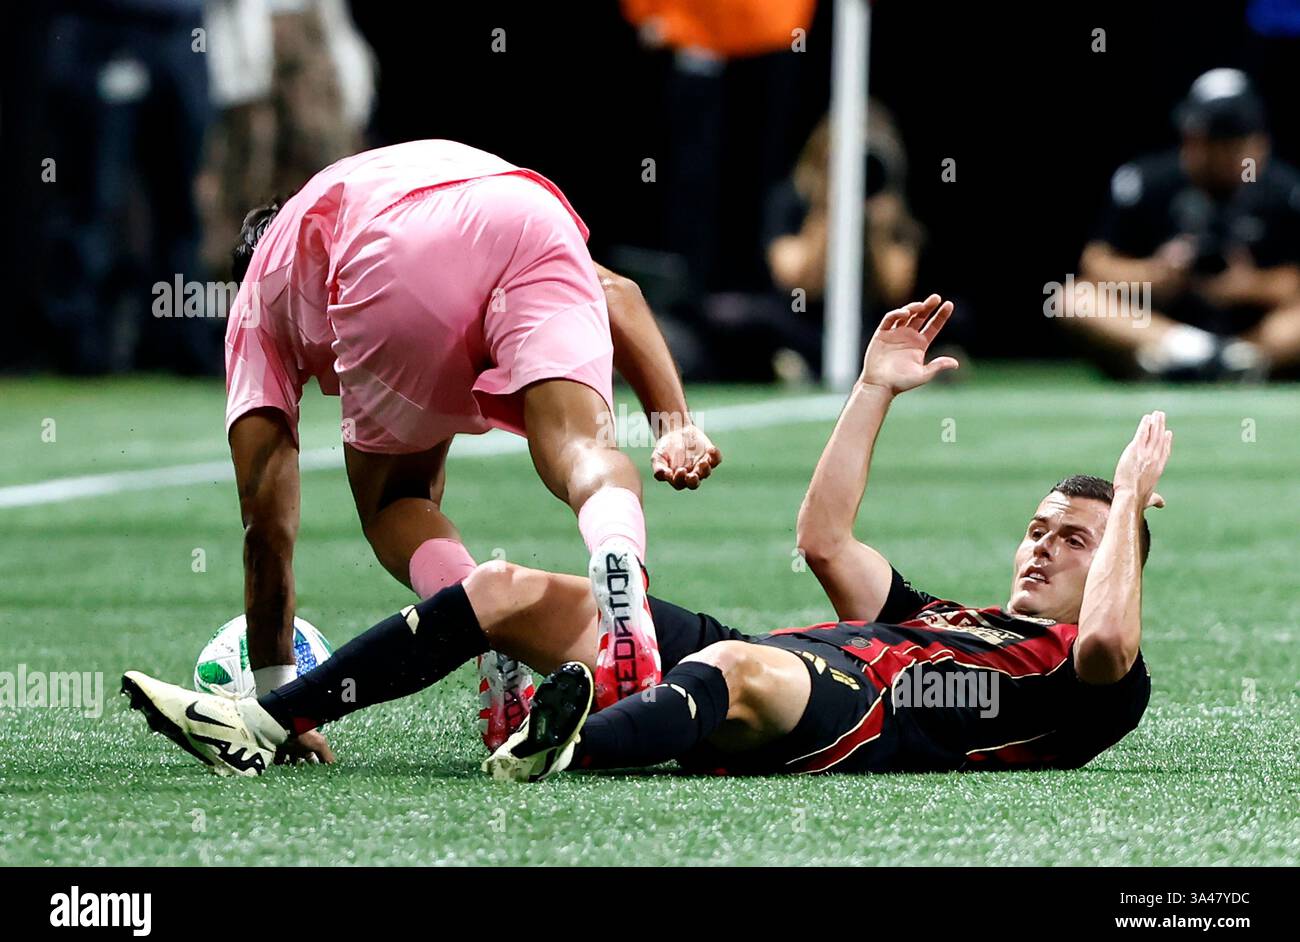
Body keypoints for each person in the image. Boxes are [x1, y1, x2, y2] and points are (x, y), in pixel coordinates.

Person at [120, 295, 1167, 781]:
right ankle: (264, 721)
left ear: (1117, 556)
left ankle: (571, 745)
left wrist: (1123, 493)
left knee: (735, 663)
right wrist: (870, 389)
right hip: (793, 659)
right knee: (504, 588)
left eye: (1072, 538)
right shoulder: (945, 617)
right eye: (1036, 527)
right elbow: (824, 536)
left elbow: (1108, 644)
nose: (1039, 545)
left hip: (846, 715)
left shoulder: (1083, 683)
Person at [222, 139, 721, 762]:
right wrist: (672, 423)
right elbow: (618, 293)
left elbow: (265, 523)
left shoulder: (256, 294)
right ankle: (619, 561)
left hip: (388, 256)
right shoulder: (359, 181)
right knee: (577, 446)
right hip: (527, 207)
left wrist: (278, 699)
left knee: (395, 501)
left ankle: (490, 630)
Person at [1067, 68, 1300, 380]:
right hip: (1161, 329)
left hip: (1256, 333)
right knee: (1073, 297)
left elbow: (1293, 283)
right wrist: (1155, 274)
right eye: (1203, 139)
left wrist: (1247, 285)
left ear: (1258, 144)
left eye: (1227, 142)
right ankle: (1196, 353)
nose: (1211, 153)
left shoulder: (1285, 191)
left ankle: (1237, 359)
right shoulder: (1145, 182)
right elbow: (1095, 264)